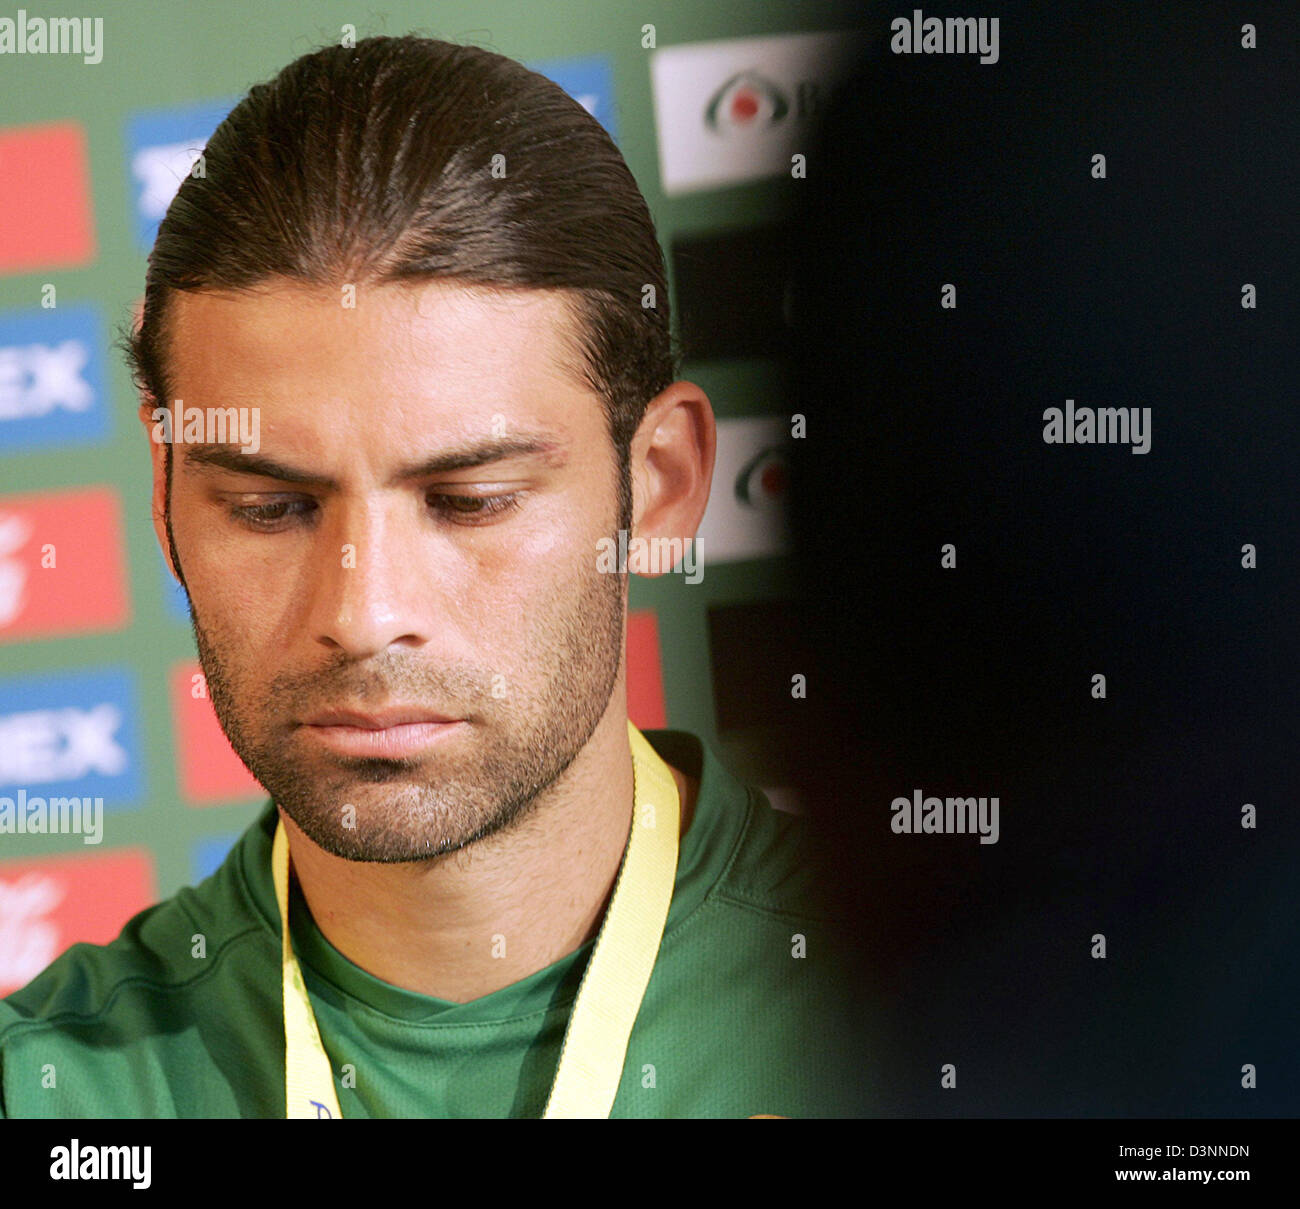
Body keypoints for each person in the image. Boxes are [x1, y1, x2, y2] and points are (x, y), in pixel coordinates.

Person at [0, 34, 868, 1118]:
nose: (364, 615)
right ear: (164, 489)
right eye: (270, 508)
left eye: (470, 502)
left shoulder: (944, 1017)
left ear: (658, 487)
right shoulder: (47, 1093)